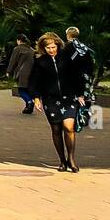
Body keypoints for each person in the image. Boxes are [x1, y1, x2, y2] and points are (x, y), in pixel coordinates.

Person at [31, 32, 97, 172]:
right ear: (43, 48)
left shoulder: (66, 58)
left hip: (69, 97)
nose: (51, 50)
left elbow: (77, 76)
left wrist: (80, 94)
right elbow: (35, 81)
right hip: (50, 99)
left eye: (53, 47)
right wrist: (36, 98)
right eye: (48, 47)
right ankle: (62, 160)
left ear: (58, 45)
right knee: (56, 129)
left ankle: (71, 159)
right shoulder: (40, 62)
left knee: (69, 127)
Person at [6, 34, 38, 114]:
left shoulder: (17, 49)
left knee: (21, 90)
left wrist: (8, 71)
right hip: (32, 72)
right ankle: (28, 106)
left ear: (19, 40)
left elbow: (13, 61)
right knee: (27, 89)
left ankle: (30, 102)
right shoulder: (31, 49)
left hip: (22, 72)